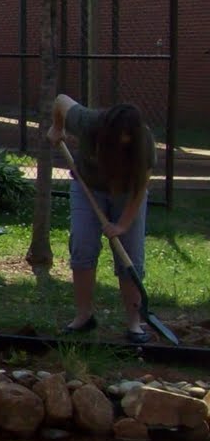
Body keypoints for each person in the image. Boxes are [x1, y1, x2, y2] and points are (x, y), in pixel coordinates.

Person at [47, 93, 156, 344]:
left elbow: (140, 189)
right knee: (83, 245)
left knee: (130, 254)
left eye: (126, 142)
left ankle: (134, 323)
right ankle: (84, 317)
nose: (121, 144)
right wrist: (57, 127)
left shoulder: (144, 143)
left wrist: (122, 225)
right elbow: (61, 101)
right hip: (88, 188)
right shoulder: (89, 122)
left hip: (128, 193)